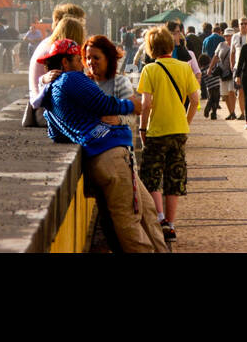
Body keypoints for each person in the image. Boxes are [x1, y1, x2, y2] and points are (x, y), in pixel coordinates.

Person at [32, 39, 168, 253]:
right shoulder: (73, 79)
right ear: (66, 63)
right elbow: (103, 104)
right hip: (112, 155)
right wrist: (132, 105)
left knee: (146, 210)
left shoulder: (49, 96)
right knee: (129, 220)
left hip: (101, 159)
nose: (84, 63)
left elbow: (56, 134)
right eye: (80, 59)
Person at [136, 26, 200, 243]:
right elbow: (195, 98)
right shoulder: (184, 67)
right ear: (171, 46)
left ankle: (160, 218)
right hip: (179, 130)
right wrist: (186, 121)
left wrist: (142, 129)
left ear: (151, 48)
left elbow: (146, 104)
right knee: (175, 176)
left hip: (157, 130)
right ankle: (171, 225)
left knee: (152, 177)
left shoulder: (150, 70)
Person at [28, 4, 86, 98]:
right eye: (81, 25)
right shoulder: (58, 51)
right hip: (47, 107)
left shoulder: (48, 43)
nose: (83, 30)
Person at [217, 28, 238, 119]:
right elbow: (215, 56)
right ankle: (231, 113)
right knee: (225, 94)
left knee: (231, 91)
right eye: (226, 36)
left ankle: (233, 112)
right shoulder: (221, 45)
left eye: (229, 36)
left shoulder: (236, 45)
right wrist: (210, 68)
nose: (227, 37)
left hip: (232, 72)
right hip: (223, 72)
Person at [200, 45, 222, 119]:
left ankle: (208, 109)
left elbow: (202, 78)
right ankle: (213, 113)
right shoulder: (212, 67)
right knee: (216, 100)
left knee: (211, 98)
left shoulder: (202, 71)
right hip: (216, 85)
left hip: (209, 87)